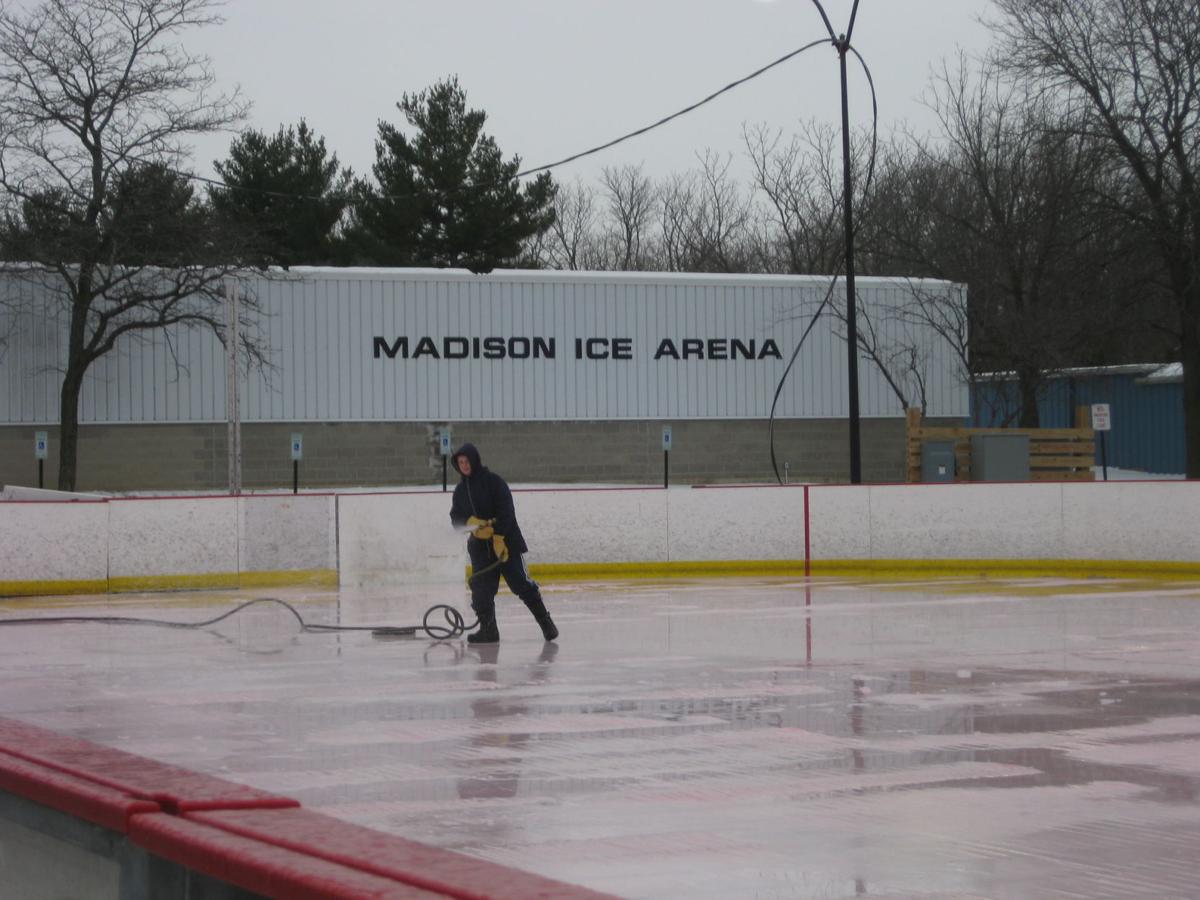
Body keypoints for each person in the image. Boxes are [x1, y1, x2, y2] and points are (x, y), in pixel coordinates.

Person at [448, 443, 558, 644]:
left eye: (466, 461)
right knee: (481, 591)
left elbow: (506, 511)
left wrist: (499, 536)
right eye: (460, 463)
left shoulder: (494, 482)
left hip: (508, 545)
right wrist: (469, 522)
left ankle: (546, 624)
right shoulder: (460, 491)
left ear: (474, 460)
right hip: (481, 550)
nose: (464, 466)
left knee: (522, 585)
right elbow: (456, 518)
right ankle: (488, 631)